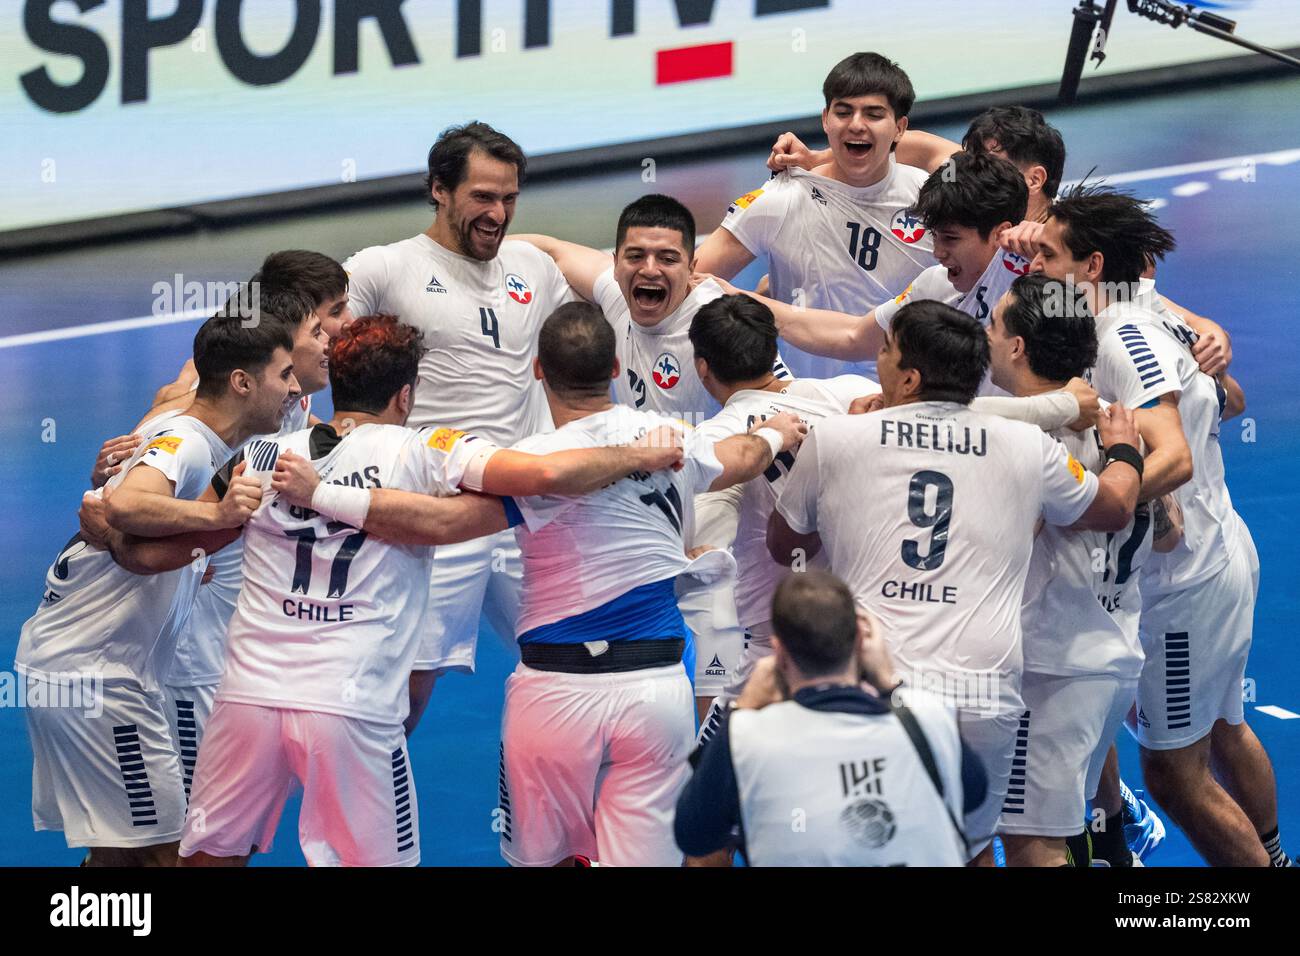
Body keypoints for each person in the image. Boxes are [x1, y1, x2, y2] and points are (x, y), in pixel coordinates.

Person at [171, 315, 684, 866]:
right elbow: (544, 476)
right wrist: (639, 455)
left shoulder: (265, 455)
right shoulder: (427, 449)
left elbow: (179, 539)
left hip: (247, 697)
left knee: (208, 858)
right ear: (406, 393)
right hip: (352, 706)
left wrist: (111, 521)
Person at [766, 299, 1145, 861]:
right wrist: (1123, 451)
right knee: (965, 851)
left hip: (880, 682)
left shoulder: (838, 440)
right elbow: (1114, 506)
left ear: (910, 376)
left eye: (886, 351)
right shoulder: (1027, 446)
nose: (879, 360)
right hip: (985, 690)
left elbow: (786, 546)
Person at [495, 302, 807, 867]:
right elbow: (739, 457)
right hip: (655, 690)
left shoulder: (523, 463)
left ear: (538, 370)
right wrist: (777, 433)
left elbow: (440, 522)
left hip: (550, 694)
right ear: (616, 368)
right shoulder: (671, 438)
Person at [1032, 189, 1288, 867]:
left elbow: (1171, 456)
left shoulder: (1122, 335)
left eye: (1048, 254)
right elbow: (1228, 397)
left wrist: (1091, 505)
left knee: (1175, 777)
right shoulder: (1140, 301)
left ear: (1090, 266)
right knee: (1226, 728)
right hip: (1219, 547)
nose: (1035, 264)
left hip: (1182, 587)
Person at [15, 299, 301, 866]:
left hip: (81, 668)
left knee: (117, 858)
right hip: (100, 680)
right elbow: (127, 502)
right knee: (170, 857)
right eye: (284, 375)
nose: (293, 388)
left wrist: (191, 558)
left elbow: (129, 520)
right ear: (243, 383)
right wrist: (218, 519)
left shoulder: (197, 436)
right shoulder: (189, 442)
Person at [515, 195, 791, 717]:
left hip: (718, 485)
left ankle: (716, 746)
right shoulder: (613, 293)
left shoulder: (716, 319)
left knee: (720, 644)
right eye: (635, 256)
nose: (649, 269)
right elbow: (547, 247)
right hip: (645, 483)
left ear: (692, 266)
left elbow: (773, 399)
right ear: (615, 260)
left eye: (667, 259)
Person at [343, 121, 577, 731]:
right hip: (436, 513)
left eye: (509, 198)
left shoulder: (533, 265)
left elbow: (578, 359)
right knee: (404, 694)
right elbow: (293, 336)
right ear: (439, 190)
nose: (498, 213)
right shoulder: (383, 269)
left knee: (573, 653)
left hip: (521, 508)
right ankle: (369, 813)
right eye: (482, 197)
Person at [986, 274, 1175, 866]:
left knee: (1031, 843)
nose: (984, 336)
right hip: (1110, 661)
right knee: (1060, 833)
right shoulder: (1120, 428)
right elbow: (1172, 534)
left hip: (1050, 668)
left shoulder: (1029, 439)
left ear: (1017, 347)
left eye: (993, 325)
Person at [674, 570, 985, 866]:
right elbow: (973, 797)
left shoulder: (747, 737)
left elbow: (693, 836)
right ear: (862, 644)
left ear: (779, 654)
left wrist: (742, 708)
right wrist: (889, 682)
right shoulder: (929, 717)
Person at [694, 52, 935, 375]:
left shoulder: (930, 200)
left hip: (901, 403)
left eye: (874, 114)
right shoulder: (782, 199)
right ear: (825, 119)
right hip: (806, 405)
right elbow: (690, 279)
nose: (856, 125)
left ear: (900, 128)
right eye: (843, 112)